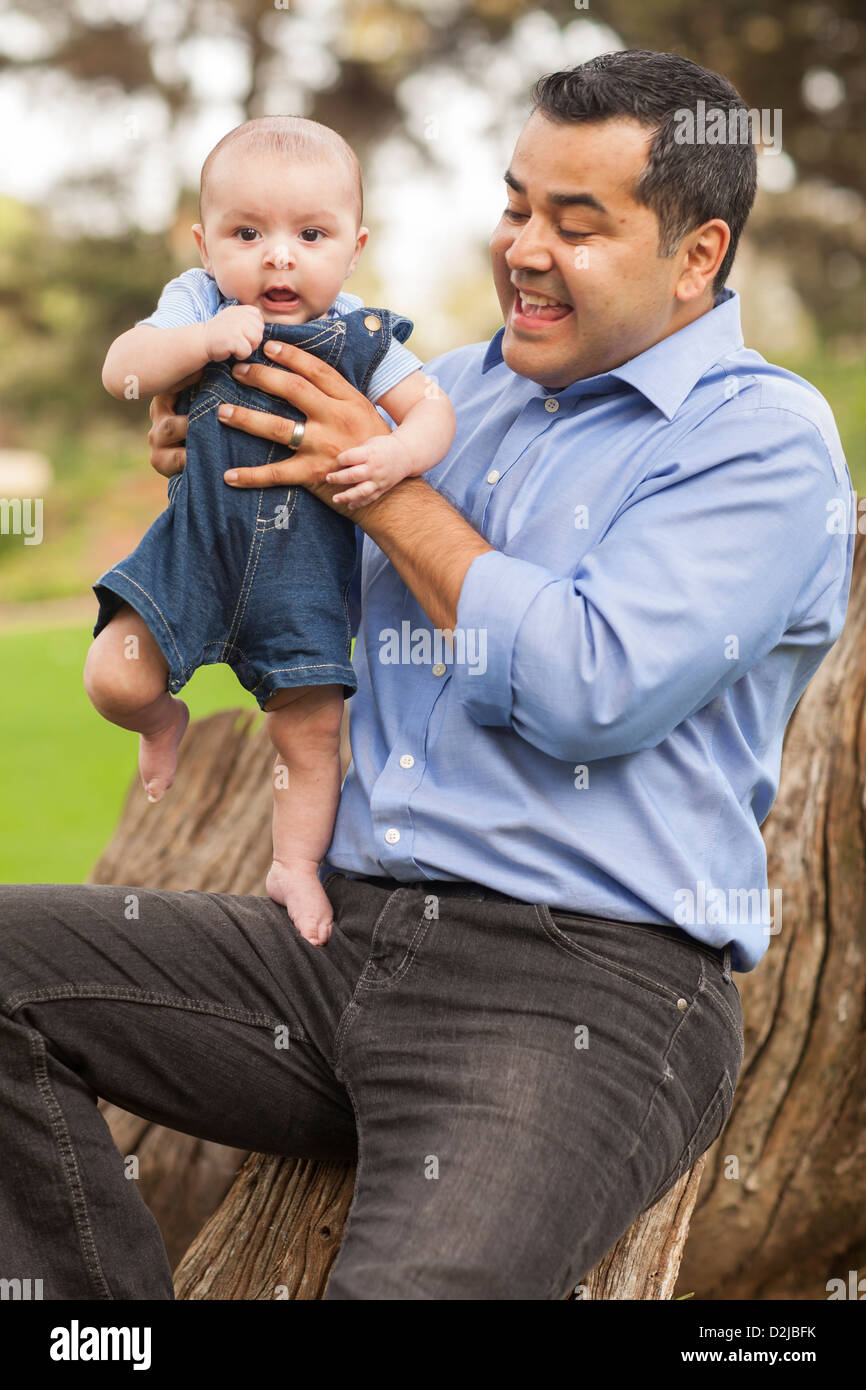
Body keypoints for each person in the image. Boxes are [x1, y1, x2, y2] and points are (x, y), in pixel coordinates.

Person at [0, 51, 855, 1300]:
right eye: (516, 205)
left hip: (585, 984)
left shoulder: (762, 443)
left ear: (694, 253)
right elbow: (281, 612)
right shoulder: (443, 393)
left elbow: (587, 686)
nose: (522, 247)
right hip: (338, 941)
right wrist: (211, 465)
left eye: (576, 223)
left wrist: (384, 486)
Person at [85, 116, 456, 943]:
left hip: (304, 572)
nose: (278, 255)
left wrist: (397, 457)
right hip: (195, 551)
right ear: (204, 242)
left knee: (311, 733)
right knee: (114, 678)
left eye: (310, 233)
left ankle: (293, 867)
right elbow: (123, 371)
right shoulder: (198, 303)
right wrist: (200, 342)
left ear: (353, 247)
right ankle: (160, 722)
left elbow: (433, 411)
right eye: (247, 232)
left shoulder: (364, 335)